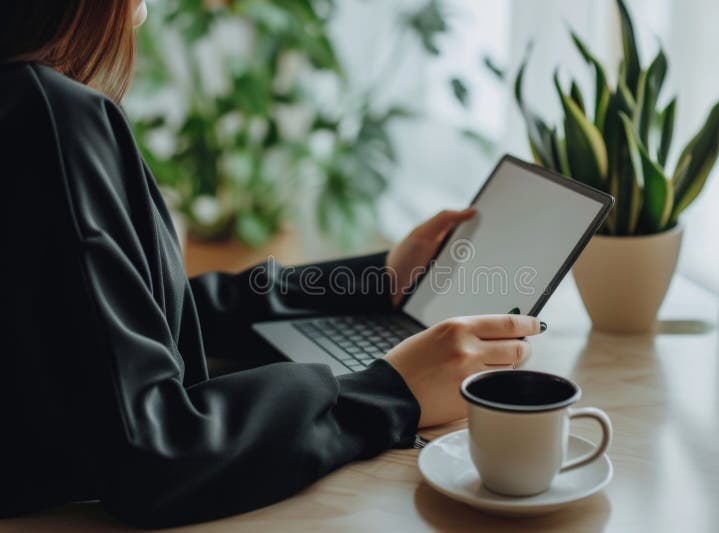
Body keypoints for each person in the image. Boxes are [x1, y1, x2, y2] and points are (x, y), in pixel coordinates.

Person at [0, 1, 543, 528]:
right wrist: (387, 393)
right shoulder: (49, 111)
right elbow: (152, 456)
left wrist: (370, 280)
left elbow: (146, 322)